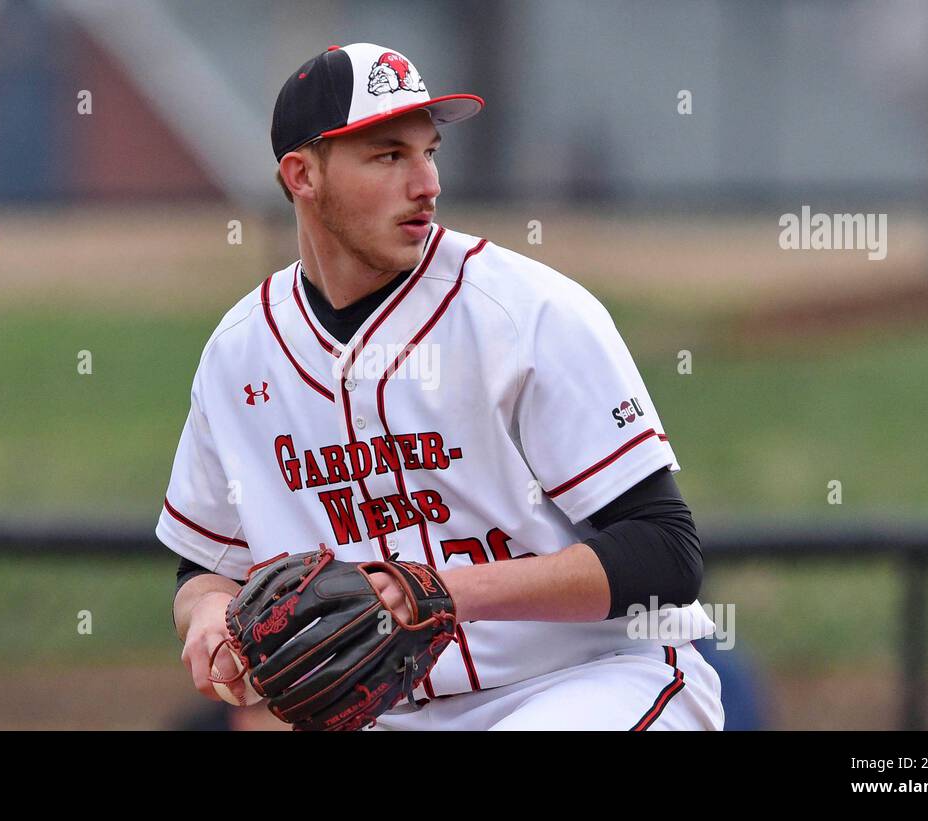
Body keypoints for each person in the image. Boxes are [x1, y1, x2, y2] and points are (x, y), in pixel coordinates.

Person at [158, 42, 723, 730]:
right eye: (389, 155)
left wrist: (436, 591)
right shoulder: (238, 355)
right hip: (393, 713)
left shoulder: (526, 313)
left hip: (591, 682)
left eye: (430, 153)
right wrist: (211, 619)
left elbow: (665, 553)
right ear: (302, 174)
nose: (426, 182)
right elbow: (205, 567)